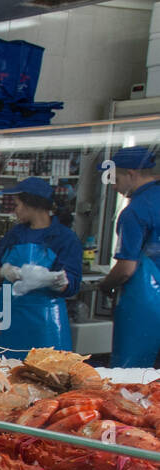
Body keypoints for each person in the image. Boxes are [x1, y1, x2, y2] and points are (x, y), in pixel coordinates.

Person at [0, 177, 81, 359]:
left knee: (48, 372)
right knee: (4, 372)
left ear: (32, 205)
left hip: (45, 324)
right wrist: (5, 272)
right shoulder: (14, 235)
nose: (16, 210)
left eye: (17, 205)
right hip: (9, 319)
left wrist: (52, 282)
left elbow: (72, 285)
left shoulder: (65, 238)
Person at [98, 146, 160, 367]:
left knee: (133, 377)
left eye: (115, 179)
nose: (114, 186)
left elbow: (126, 269)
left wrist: (105, 285)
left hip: (146, 304)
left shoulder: (135, 211)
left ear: (131, 174)